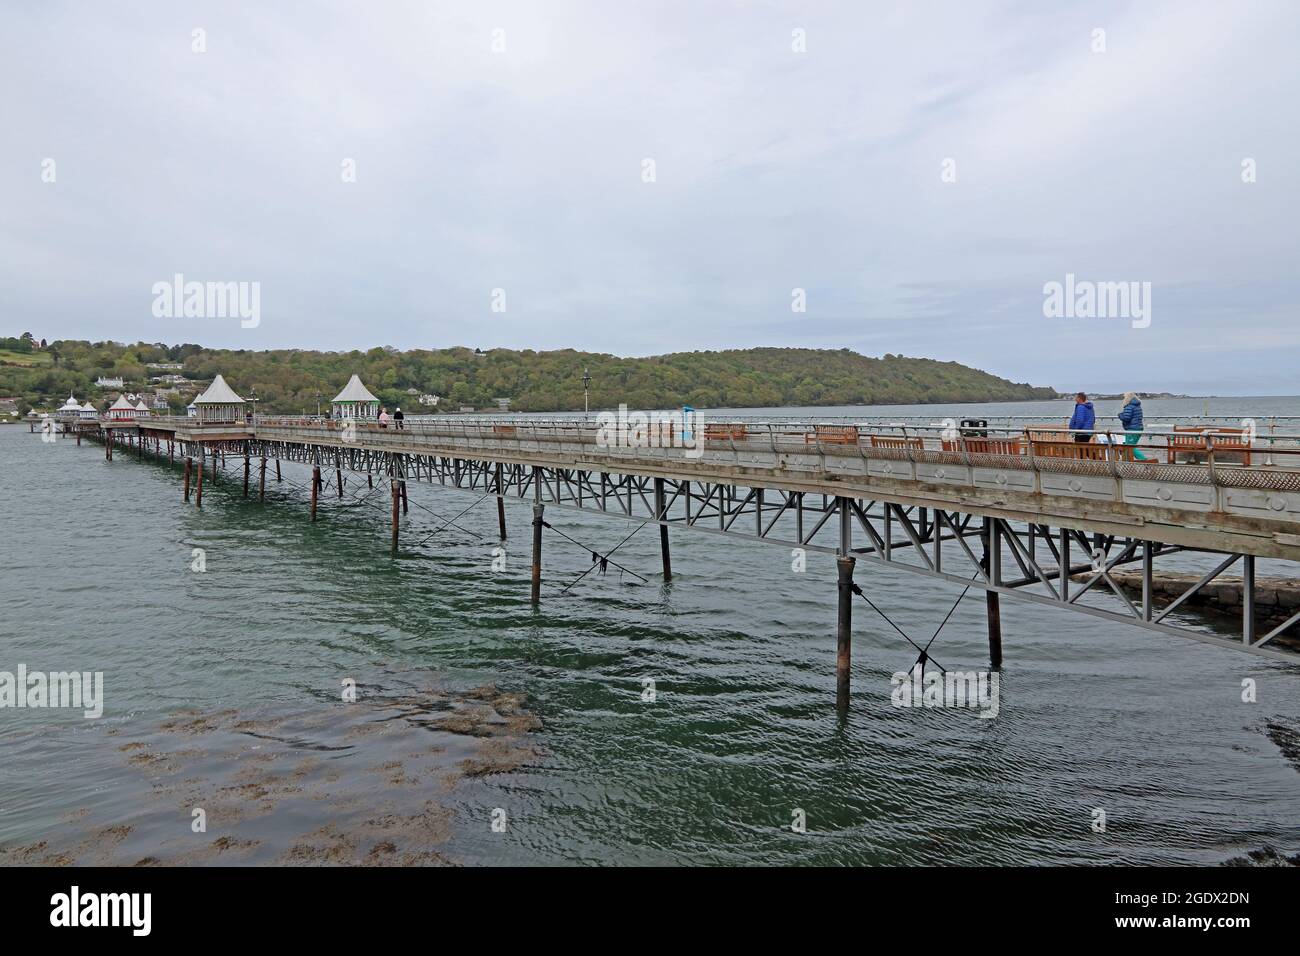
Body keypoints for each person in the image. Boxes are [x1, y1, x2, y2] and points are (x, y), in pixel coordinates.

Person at [1117, 392, 1147, 460]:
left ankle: (1144, 460)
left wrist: (1120, 415)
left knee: (1130, 447)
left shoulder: (1129, 406)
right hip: (1138, 428)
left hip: (1132, 429)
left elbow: (1126, 418)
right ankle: (1127, 461)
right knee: (1128, 445)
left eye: (1124, 397)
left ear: (1127, 398)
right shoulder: (1137, 406)